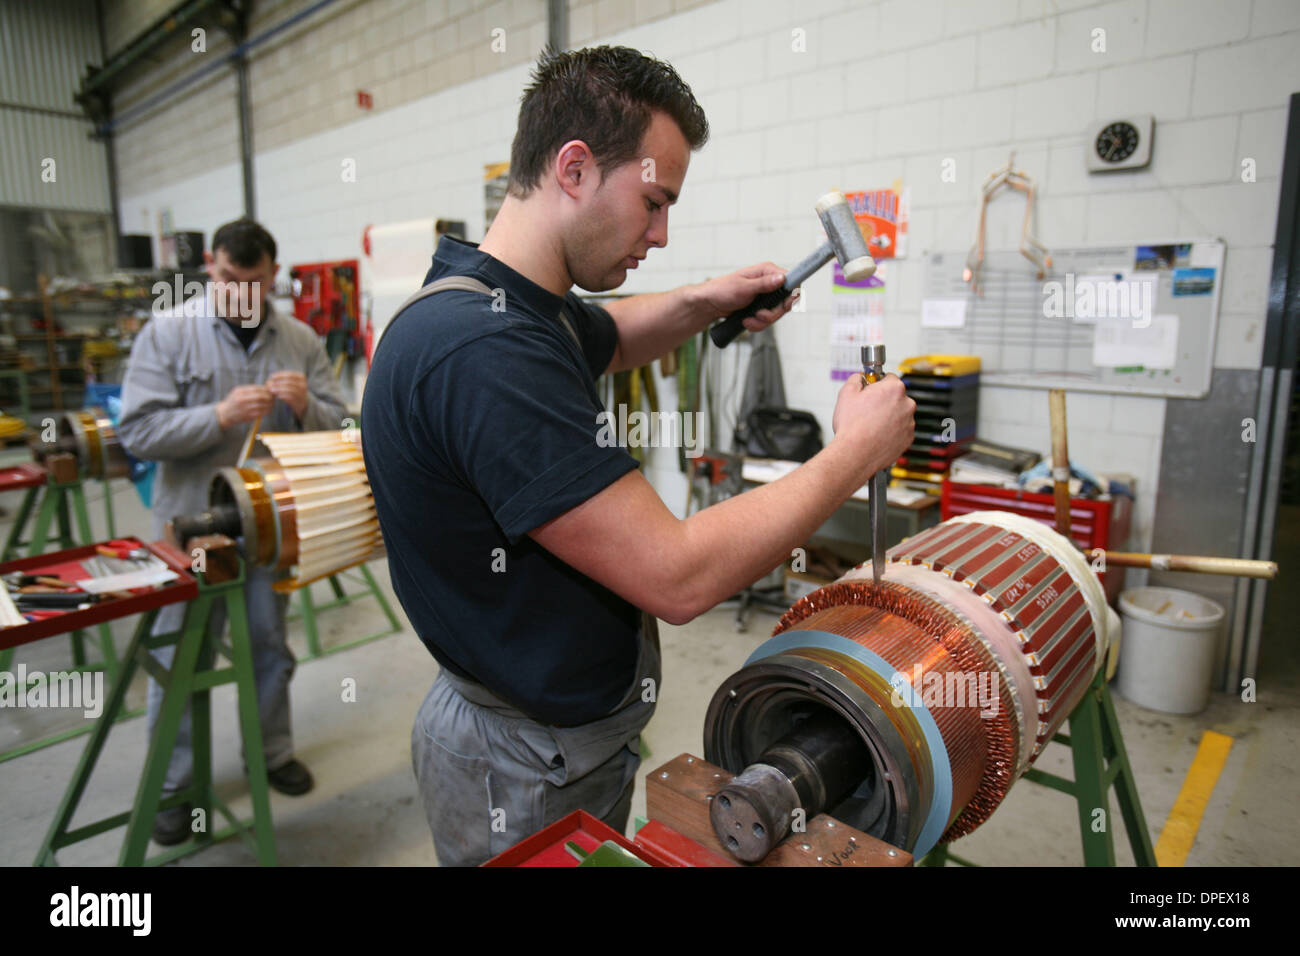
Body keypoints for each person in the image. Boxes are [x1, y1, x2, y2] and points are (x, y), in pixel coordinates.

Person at [362, 45, 915, 866]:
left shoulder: (505, 302)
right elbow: (677, 574)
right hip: (524, 766)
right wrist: (854, 452)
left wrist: (709, 299)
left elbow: (613, 334)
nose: (660, 236)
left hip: (552, 736)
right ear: (575, 168)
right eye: (653, 203)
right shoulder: (485, 355)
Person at [119, 218, 349, 845]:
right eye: (226, 279)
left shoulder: (300, 339)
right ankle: (175, 787)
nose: (239, 294)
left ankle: (271, 754)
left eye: (252, 282)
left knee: (268, 646)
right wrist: (214, 416)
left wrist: (308, 407)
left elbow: (338, 430)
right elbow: (136, 433)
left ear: (273, 276)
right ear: (210, 270)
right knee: (179, 657)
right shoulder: (169, 334)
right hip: (190, 530)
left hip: (267, 528)